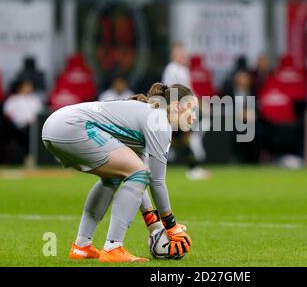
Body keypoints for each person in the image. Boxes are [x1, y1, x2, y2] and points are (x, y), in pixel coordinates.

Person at [41, 83, 195, 262]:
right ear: (176, 106)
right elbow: (156, 180)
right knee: (139, 173)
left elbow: (135, 175)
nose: (193, 118)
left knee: (116, 176)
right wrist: (171, 226)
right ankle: (113, 247)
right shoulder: (159, 120)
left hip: (55, 125)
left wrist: (153, 222)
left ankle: (82, 246)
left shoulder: (147, 114)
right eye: (191, 109)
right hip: (72, 126)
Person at [162, 42, 209, 180]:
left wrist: (198, 102)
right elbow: (171, 90)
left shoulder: (183, 70)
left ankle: (193, 168)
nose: (183, 56)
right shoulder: (171, 69)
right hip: (176, 110)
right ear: (174, 55)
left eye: (184, 53)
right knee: (180, 138)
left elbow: (188, 90)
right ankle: (193, 169)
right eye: (180, 53)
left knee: (179, 139)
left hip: (182, 109)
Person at [3, 80, 43, 164]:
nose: (28, 89)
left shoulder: (35, 99)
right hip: (15, 126)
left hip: (31, 127)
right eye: (25, 86)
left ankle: (30, 157)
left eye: (29, 87)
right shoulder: (13, 99)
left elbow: (39, 114)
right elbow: (7, 112)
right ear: (20, 88)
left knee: (33, 134)